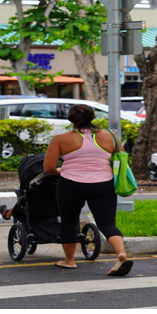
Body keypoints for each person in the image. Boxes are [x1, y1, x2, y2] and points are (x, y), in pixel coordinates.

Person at [44, 104, 133, 277]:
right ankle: (121, 254)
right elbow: (121, 157)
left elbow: (48, 168)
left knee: (69, 222)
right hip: (104, 184)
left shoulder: (60, 139)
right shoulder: (110, 136)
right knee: (107, 224)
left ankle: (69, 260)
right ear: (93, 118)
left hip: (70, 184)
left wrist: (58, 171)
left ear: (71, 119)